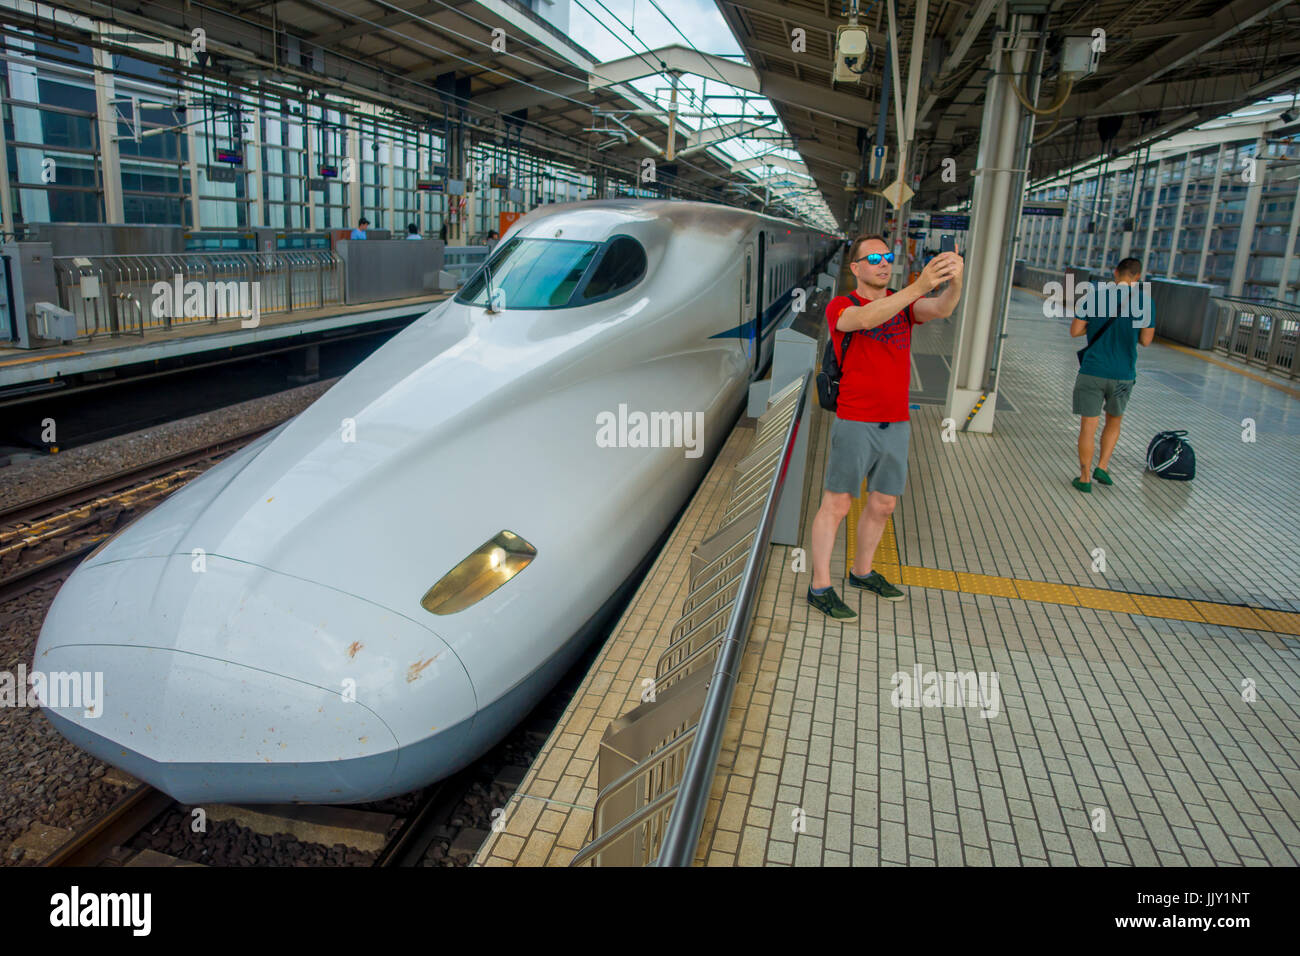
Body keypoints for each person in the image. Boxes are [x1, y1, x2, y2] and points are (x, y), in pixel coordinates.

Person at [807, 235, 964, 620]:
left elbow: (942, 308)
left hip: (896, 420)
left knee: (883, 503)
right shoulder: (841, 306)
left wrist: (955, 279)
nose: (883, 263)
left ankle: (861, 573)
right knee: (838, 503)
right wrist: (918, 286)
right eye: (873, 258)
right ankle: (820, 586)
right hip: (855, 419)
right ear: (856, 268)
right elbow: (865, 319)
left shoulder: (906, 305)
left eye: (888, 257)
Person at [1069, 257, 1155, 493]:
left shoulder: (1095, 296)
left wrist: (1095, 326)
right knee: (1114, 421)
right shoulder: (1145, 302)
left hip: (1092, 370)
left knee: (1088, 426)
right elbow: (1146, 341)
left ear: (1115, 273)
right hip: (1123, 374)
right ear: (1137, 277)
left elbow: (1075, 331)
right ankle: (1102, 466)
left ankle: (1084, 478)